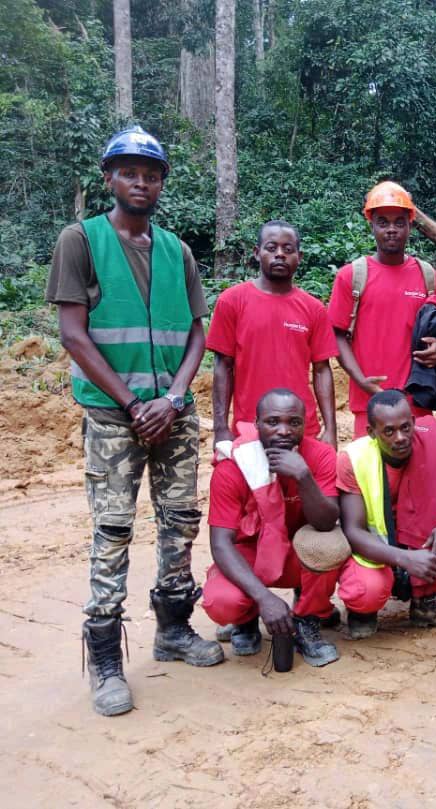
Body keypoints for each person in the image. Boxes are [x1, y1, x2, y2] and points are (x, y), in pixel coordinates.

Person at [46, 126, 223, 717]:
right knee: (114, 529)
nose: (140, 182)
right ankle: (105, 659)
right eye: (129, 172)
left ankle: (173, 629)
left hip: (171, 413)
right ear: (109, 179)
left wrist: (172, 399)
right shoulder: (81, 240)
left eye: (150, 174)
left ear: (161, 183)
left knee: (180, 521)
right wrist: (131, 404)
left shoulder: (177, 250)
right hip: (112, 415)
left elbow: (199, 331)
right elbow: (74, 334)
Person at [203, 390, 342, 667]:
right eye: (272, 421)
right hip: (251, 553)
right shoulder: (233, 464)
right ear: (256, 424)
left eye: (294, 422)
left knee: (330, 545)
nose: (283, 431)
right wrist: (264, 598)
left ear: (305, 424)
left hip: (296, 553)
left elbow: (326, 523)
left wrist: (304, 477)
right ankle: (246, 620)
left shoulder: (321, 455)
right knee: (221, 601)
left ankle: (306, 618)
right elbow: (220, 543)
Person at [336, 390, 436, 638]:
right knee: (366, 592)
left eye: (406, 427)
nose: (401, 437)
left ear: (414, 422)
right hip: (378, 544)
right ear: (372, 432)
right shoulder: (353, 458)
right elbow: (353, 530)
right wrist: (405, 559)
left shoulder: (430, 438)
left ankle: (426, 600)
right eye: (389, 431)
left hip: (419, 531)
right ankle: (363, 611)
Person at [328, 181, 436, 435]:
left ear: (410, 225)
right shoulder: (351, 276)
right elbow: (336, 334)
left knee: (419, 472)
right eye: (383, 222)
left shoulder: (428, 276)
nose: (392, 229)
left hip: (417, 401)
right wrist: (361, 381)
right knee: (371, 473)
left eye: (399, 222)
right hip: (371, 402)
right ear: (371, 224)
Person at [208, 220, 338, 449]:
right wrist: (220, 428)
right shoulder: (231, 302)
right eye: (271, 248)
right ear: (257, 253)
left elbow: (322, 370)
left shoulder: (314, 308)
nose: (280, 254)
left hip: (302, 430)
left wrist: (331, 430)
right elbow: (222, 367)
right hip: (249, 429)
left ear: (299, 256)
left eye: (288, 249)